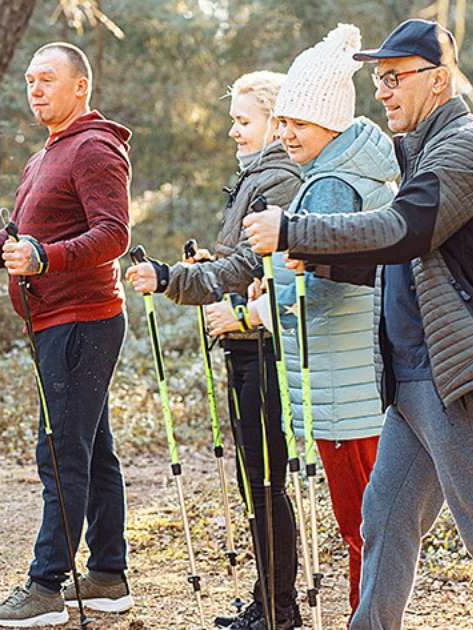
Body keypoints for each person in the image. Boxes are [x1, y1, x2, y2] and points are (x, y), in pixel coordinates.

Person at [243, 19, 473, 630]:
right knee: (385, 521)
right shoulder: (419, 148)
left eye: (394, 78)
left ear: (437, 80)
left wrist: (295, 230)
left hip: (459, 375)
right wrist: (307, 258)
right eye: (378, 80)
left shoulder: (467, 147)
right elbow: (409, 262)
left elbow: (407, 229)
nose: (383, 91)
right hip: (413, 379)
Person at [0, 42, 131, 628]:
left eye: (47, 79)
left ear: (81, 88)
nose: (35, 89)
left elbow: (113, 234)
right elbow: (19, 237)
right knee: (92, 450)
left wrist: (45, 259)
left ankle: (46, 586)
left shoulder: (94, 148)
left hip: (82, 319)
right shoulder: (47, 154)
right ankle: (107, 575)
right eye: (29, 80)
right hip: (56, 321)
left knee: (61, 451)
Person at [127, 70, 303, 630]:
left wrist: (170, 277)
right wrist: (209, 272)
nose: (233, 131)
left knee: (267, 479)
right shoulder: (258, 176)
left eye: (242, 120)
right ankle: (268, 600)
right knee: (258, 480)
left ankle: (279, 610)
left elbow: (252, 269)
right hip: (246, 346)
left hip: (264, 348)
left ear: (276, 123)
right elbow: (238, 266)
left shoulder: (275, 179)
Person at [239, 23, 395, 620]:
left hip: (342, 385)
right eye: (281, 122)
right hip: (350, 377)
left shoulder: (330, 185)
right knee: (369, 523)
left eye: (296, 124)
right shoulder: (347, 175)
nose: (284, 134)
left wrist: (266, 297)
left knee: (361, 526)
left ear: (330, 124)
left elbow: (319, 286)